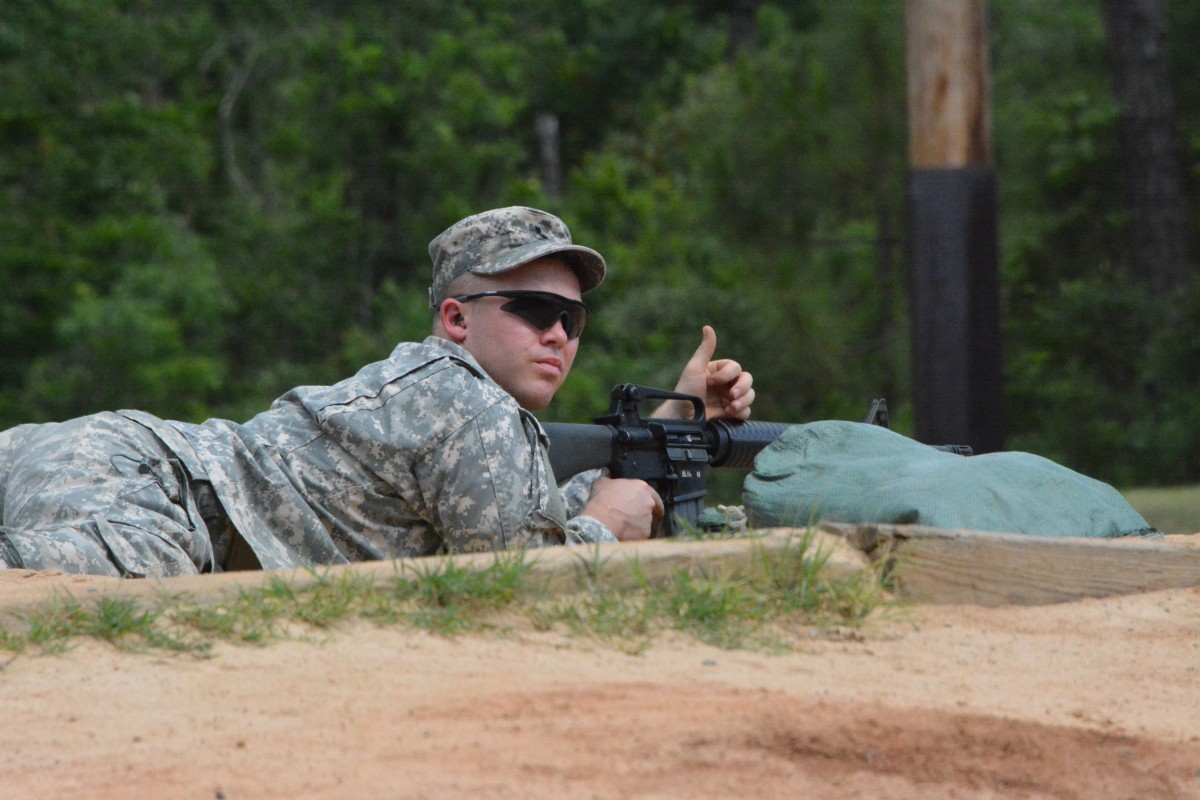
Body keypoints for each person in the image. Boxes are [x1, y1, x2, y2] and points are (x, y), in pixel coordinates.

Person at [0, 206, 754, 578]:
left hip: (116, 462)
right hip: (153, 492)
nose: (558, 334)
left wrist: (676, 418)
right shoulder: (468, 405)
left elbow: (530, 503)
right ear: (455, 319)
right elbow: (521, 576)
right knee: (73, 589)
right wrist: (599, 526)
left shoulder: (459, 402)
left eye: (573, 317)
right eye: (532, 309)